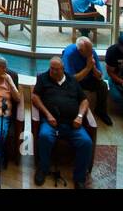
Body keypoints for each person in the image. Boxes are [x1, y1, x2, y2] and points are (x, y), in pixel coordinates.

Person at [33, 55, 94, 188]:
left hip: (73, 124)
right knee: (44, 136)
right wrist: (48, 115)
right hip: (51, 122)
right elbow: (35, 97)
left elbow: (84, 101)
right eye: (51, 68)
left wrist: (79, 116)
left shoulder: (72, 80)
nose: (53, 71)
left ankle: (79, 178)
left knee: (86, 142)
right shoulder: (43, 79)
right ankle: (43, 168)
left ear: (63, 69)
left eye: (57, 69)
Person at [62, 36, 112, 125]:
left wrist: (93, 67)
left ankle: (101, 111)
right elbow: (71, 79)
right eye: (88, 51)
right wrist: (88, 68)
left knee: (103, 85)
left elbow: (100, 76)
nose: (91, 53)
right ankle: (77, 114)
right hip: (75, 80)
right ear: (80, 51)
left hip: (88, 78)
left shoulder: (91, 51)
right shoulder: (69, 55)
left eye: (91, 50)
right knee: (73, 89)